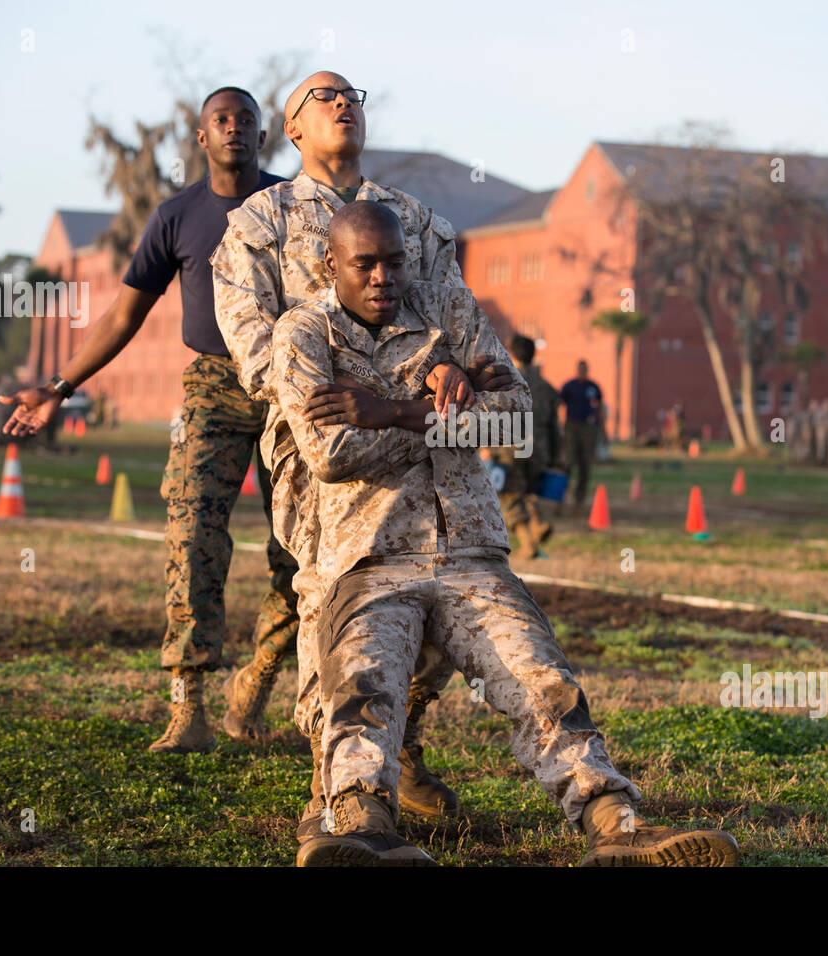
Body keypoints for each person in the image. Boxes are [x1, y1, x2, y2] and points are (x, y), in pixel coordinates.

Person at [273, 203, 739, 867]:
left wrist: (391, 409)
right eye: (364, 264)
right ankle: (359, 829)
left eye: (395, 261)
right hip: (371, 556)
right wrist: (442, 394)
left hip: (469, 554)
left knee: (542, 681)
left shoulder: (448, 312)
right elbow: (331, 452)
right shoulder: (304, 333)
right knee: (363, 686)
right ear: (330, 265)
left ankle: (617, 827)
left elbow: (516, 426)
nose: (384, 277)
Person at [212, 72, 512, 834]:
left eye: (352, 93)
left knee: (446, 615)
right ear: (293, 130)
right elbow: (257, 352)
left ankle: (396, 747)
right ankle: (334, 794)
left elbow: (467, 342)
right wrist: (383, 399)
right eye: (322, 96)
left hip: (435, 464)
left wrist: (435, 388)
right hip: (330, 457)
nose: (342, 102)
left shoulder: (416, 221)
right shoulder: (260, 223)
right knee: (331, 611)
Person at [0, 87, 298, 754]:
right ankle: (188, 707)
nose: (235, 129)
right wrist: (58, 385)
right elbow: (123, 316)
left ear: (263, 135)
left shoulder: (293, 205)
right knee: (191, 531)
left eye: (246, 120)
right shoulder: (177, 215)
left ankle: (258, 680)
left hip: (289, 389)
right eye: (222, 120)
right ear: (201, 137)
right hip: (213, 386)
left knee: (302, 553)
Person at [495, 334, 558, 558]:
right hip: (538, 447)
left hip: (510, 446)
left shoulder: (505, 382)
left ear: (511, 353)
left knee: (511, 495)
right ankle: (539, 522)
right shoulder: (547, 388)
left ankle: (527, 542)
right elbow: (554, 426)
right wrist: (555, 455)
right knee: (531, 489)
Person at [560, 360, 602, 514]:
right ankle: (561, 499)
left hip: (587, 428)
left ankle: (579, 501)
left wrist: (602, 429)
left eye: (585, 370)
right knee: (567, 464)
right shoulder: (569, 386)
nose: (582, 372)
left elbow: (599, 408)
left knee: (585, 465)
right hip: (571, 427)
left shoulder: (593, 387)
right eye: (580, 370)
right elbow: (560, 404)